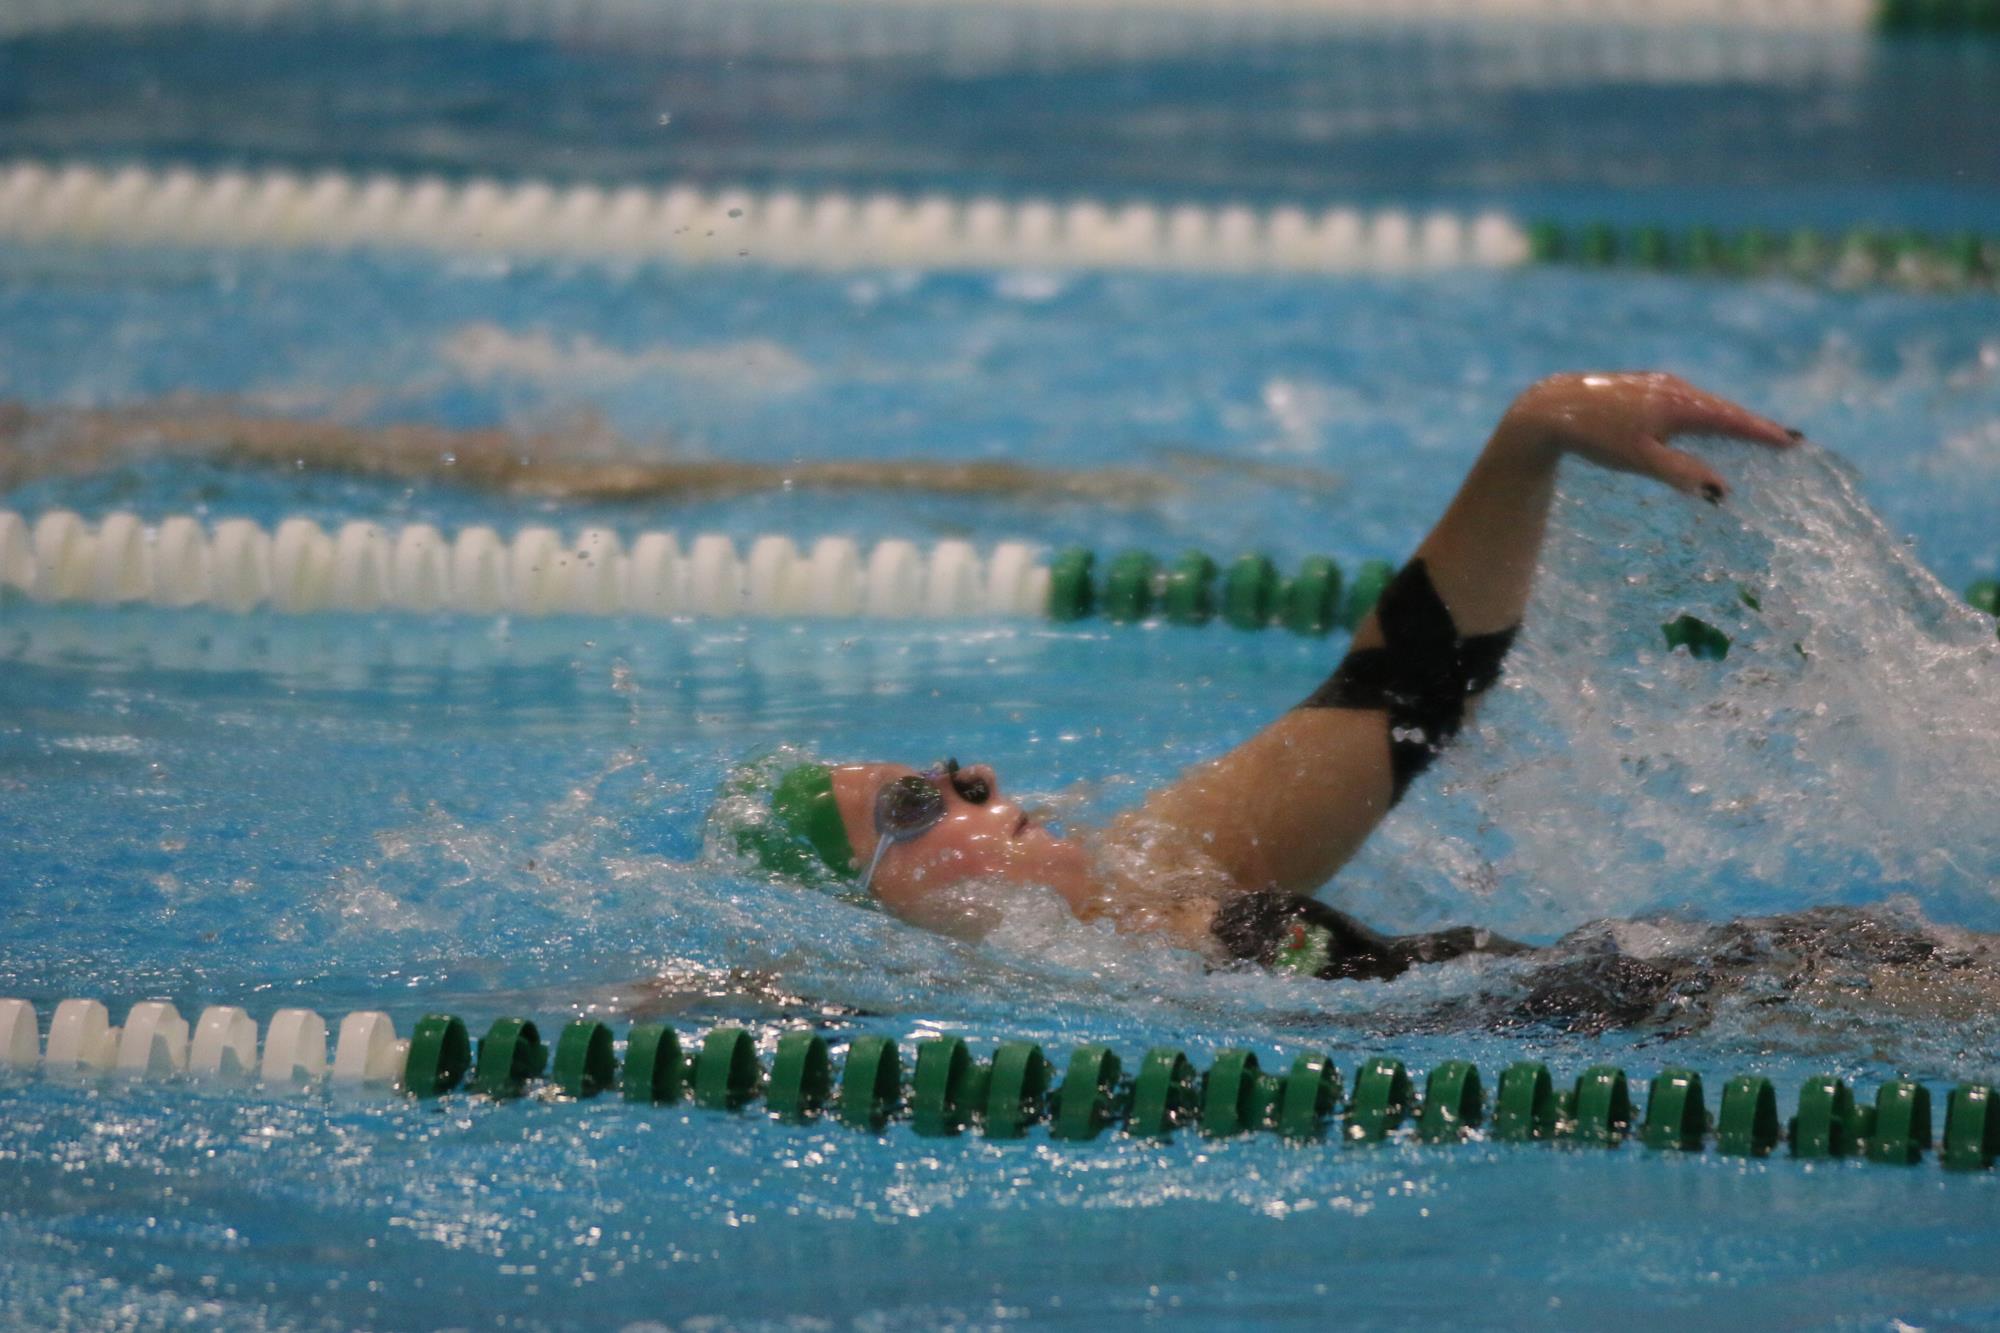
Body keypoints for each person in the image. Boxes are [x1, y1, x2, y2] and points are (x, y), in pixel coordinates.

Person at [723, 372, 1800, 983]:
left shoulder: (1155, 863)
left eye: (949, 772)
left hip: (1724, 987)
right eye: (913, 804)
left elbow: (1398, 693)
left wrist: (1533, 435)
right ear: (857, 914)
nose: (979, 778)